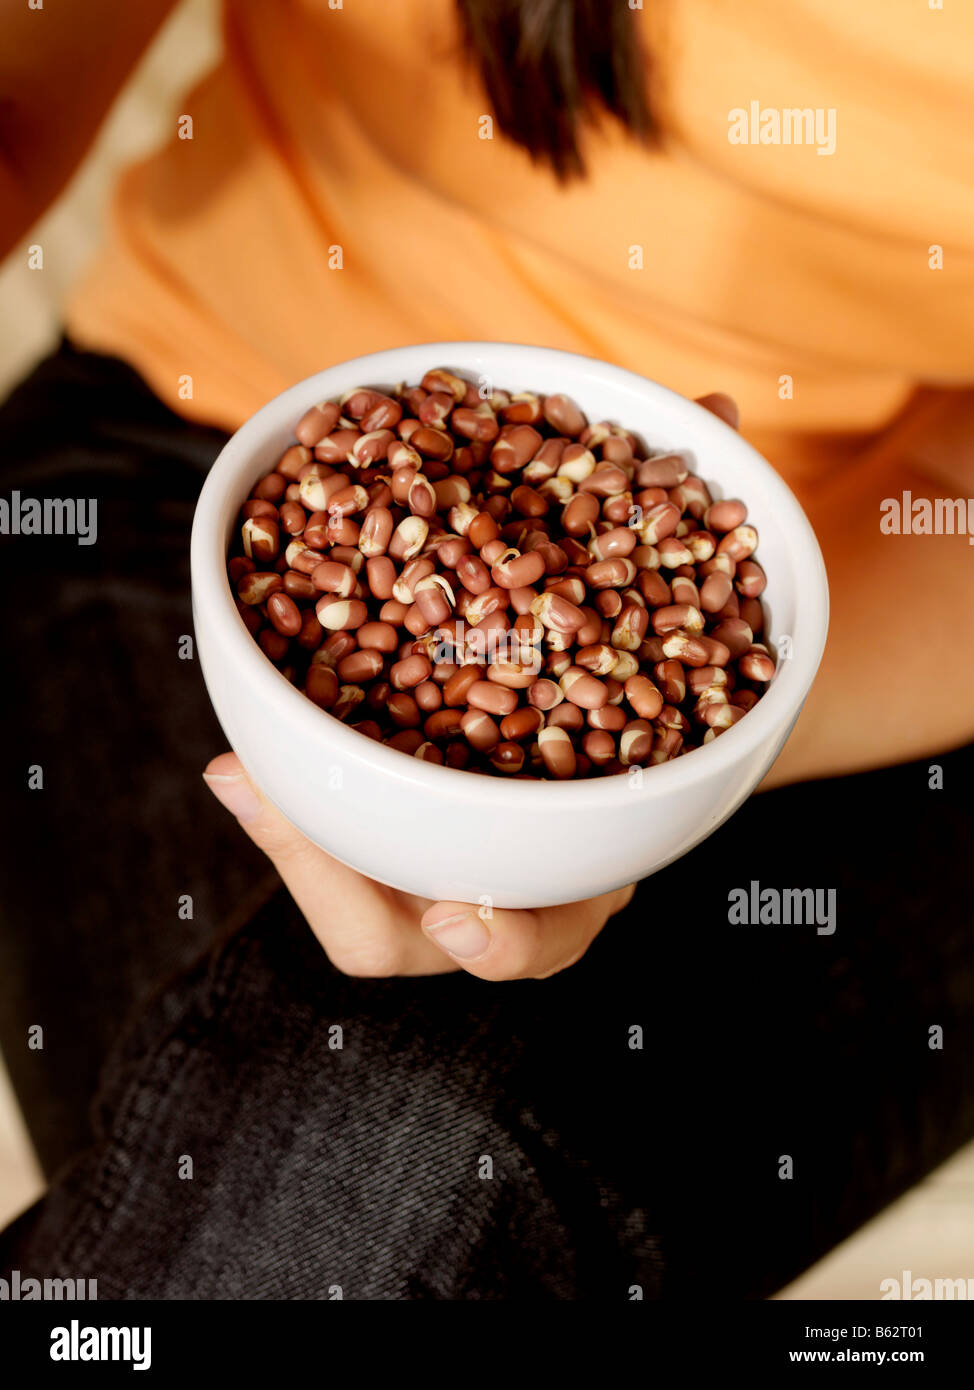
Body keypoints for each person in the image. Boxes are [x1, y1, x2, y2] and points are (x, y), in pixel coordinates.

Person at [1, 0, 972, 1299]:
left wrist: (671, 766)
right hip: (188, 476)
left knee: (384, 1150)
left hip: (892, 627)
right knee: (336, 1181)